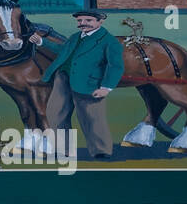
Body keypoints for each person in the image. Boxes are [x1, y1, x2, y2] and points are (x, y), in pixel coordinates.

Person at [31, 9, 124, 160]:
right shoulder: (75, 37)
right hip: (63, 79)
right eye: (80, 21)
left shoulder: (109, 41)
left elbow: (116, 66)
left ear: (100, 21)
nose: (83, 24)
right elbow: (63, 50)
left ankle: (101, 150)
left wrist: (106, 88)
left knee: (92, 118)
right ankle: (64, 149)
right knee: (55, 114)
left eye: (88, 20)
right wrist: (42, 42)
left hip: (89, 84)